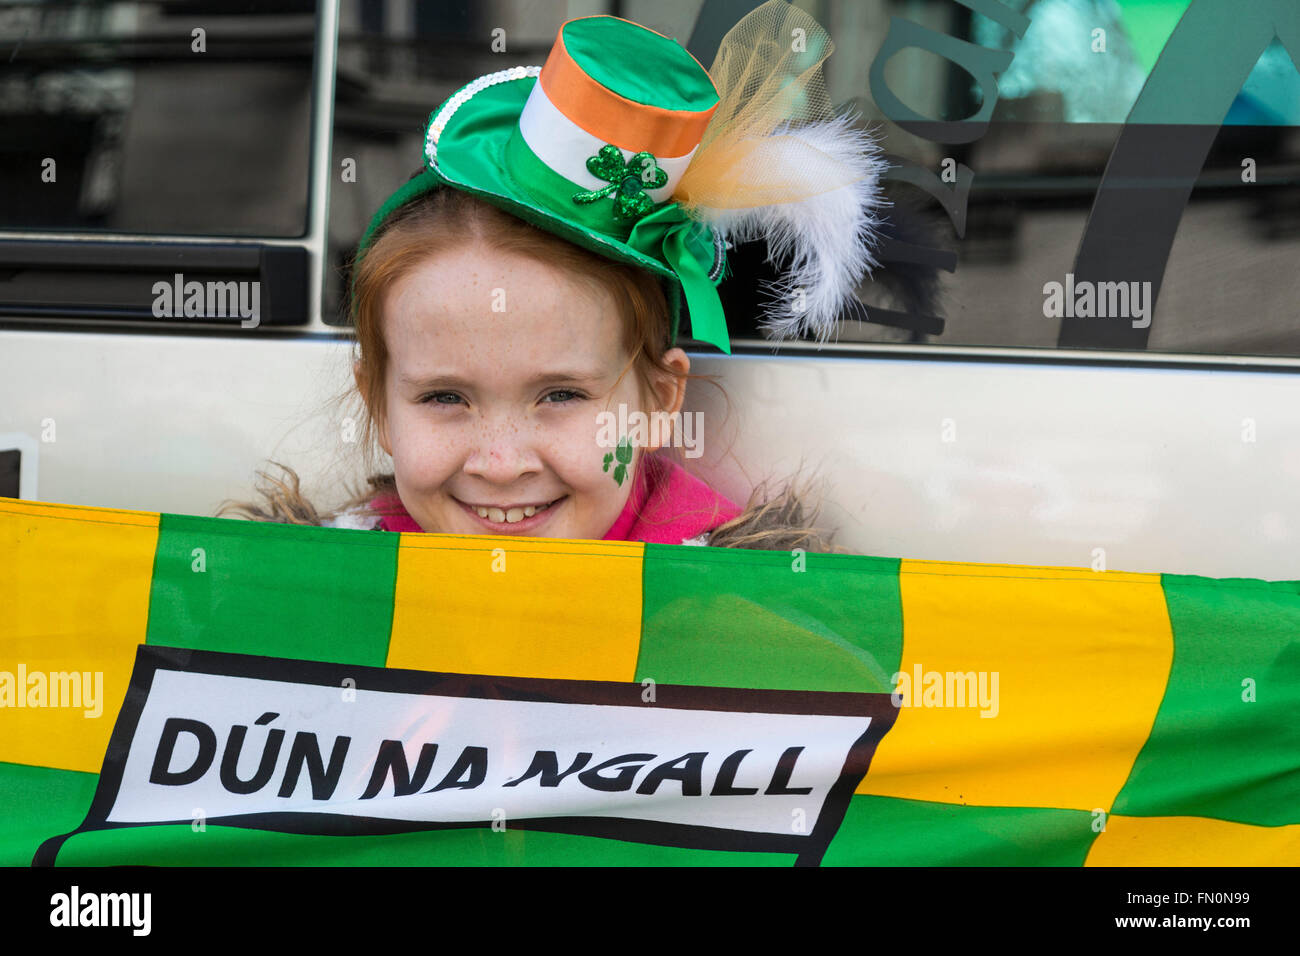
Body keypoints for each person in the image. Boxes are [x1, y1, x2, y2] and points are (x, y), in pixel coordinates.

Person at [222, 1, 886, 552]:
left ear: (657, 401)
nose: (502, 463)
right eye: (445, 399)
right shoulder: (316, 593)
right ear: (377, 404)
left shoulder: (736, 630)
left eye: (562, 396)